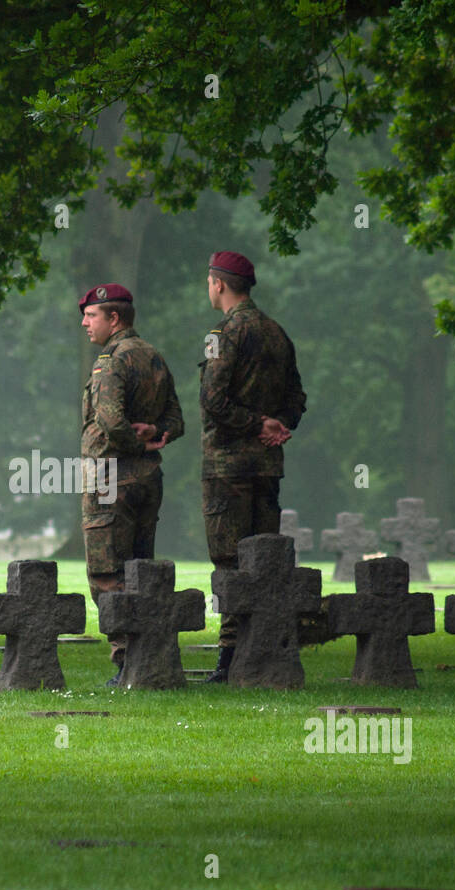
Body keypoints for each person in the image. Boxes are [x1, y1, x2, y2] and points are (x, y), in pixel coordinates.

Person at [199, 251, 307, 682]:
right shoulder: (277, 333)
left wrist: (254, 422)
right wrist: (279, 426)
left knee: (230, 561)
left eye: (209, 282)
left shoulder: (221, 334)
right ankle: (264, 649)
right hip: (266, 466)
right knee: (264, 562)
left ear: (219, 284)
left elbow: (212, 399)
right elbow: (297, 398)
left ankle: (230, 657)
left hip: (228, 468)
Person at [78, 282, 184, 685]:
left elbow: (108, 419)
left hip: (109, 476)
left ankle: (125, 662)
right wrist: (156, 433)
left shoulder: (111, 360)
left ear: (114, 318)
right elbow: (177, 420)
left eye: (92, 317)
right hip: (148, 480)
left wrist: (130, 442)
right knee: (142, 569)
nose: (85, 324)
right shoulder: (153, 357)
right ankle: (148, 656)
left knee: (108, 573)